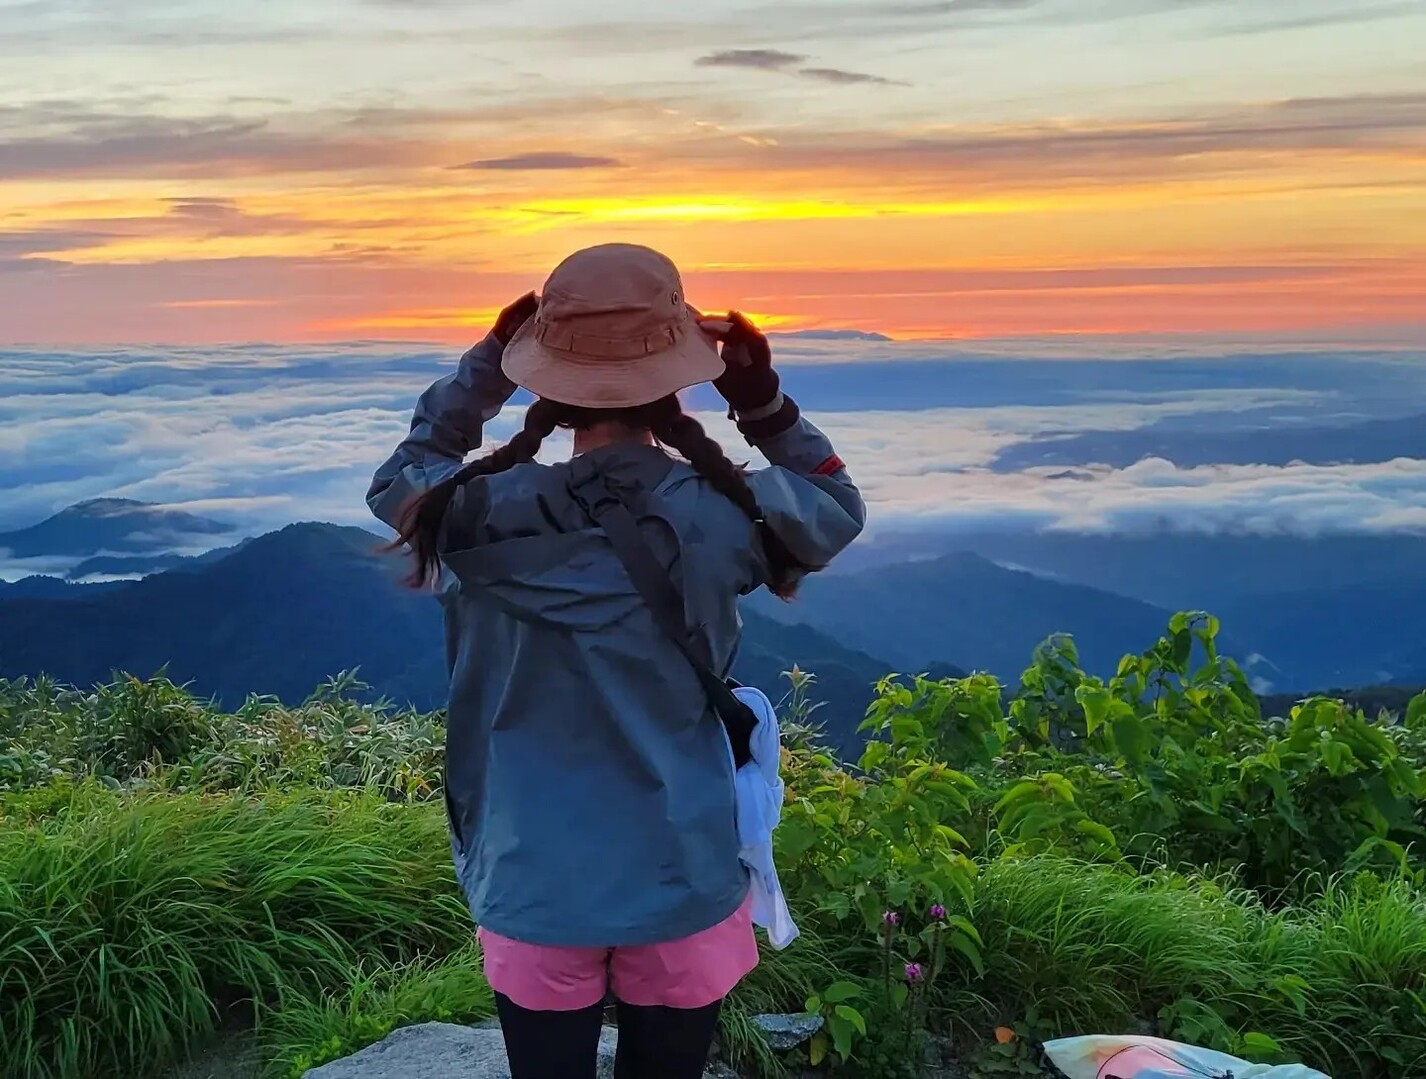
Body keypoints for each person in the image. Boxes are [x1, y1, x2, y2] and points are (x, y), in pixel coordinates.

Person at [367, 243, 865, 1078]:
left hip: (531, 870)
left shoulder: (474, 513)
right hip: (683, 868)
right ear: (678, 376)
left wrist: (487, 368)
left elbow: (404, 473)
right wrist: (762, 400)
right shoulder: (725, 513)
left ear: (548, 386)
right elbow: (835, 505)